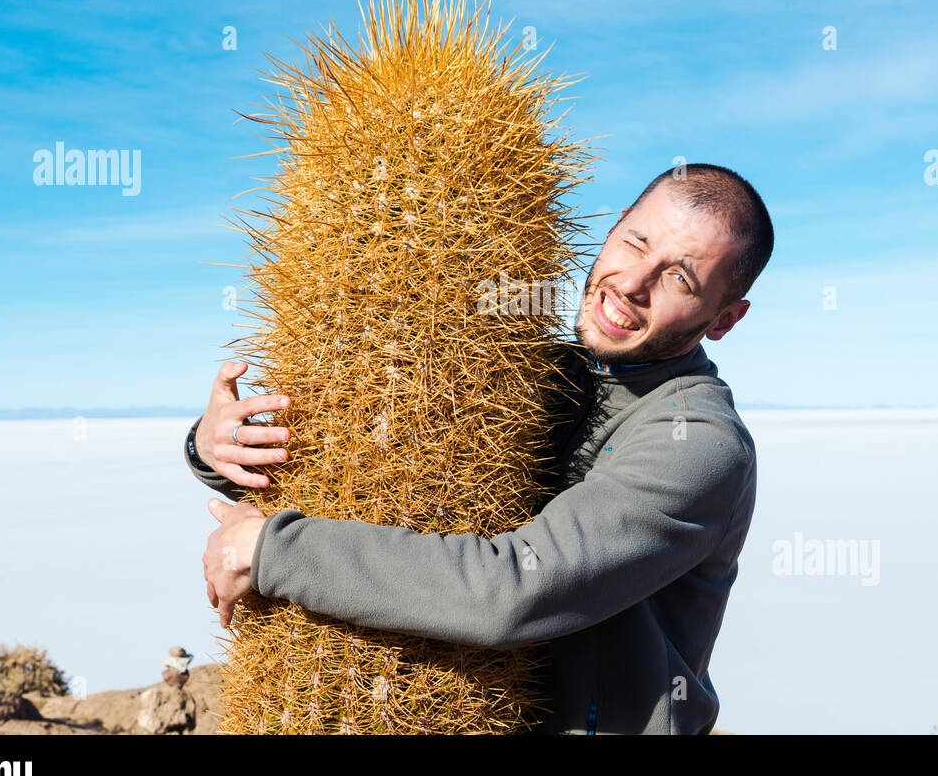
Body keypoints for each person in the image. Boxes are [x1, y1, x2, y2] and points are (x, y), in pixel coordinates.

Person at [195, 162, 774, 734]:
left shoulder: (698, 441)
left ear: (724, 319)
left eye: (680, 278)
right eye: (635, 243)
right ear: (615, 225)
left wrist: (274, 552)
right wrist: (218, 447)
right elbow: (383, 471)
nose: (631, 284)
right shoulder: (534, 369)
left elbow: (513, 591)